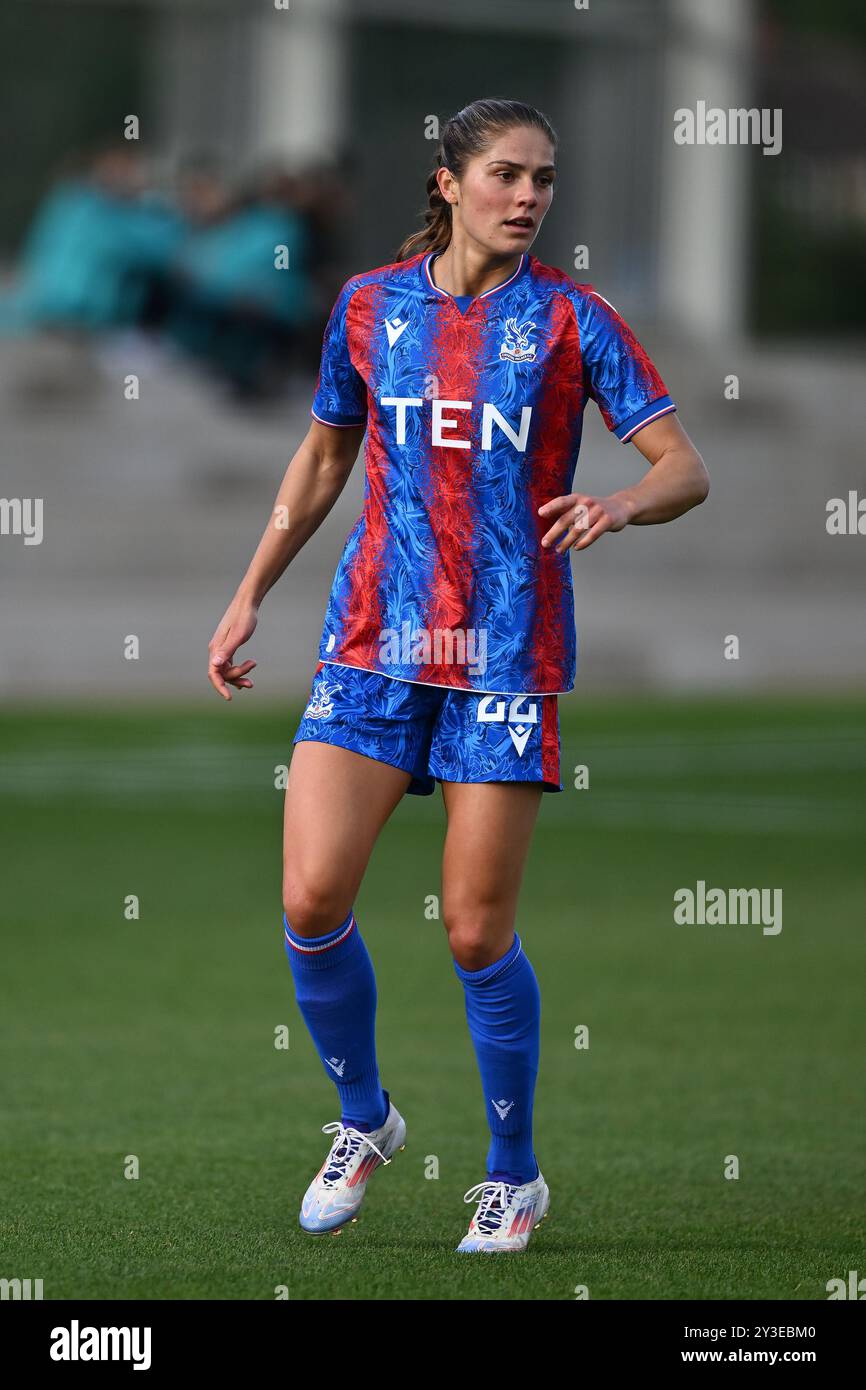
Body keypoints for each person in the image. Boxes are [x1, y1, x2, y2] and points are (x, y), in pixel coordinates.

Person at [207, 97, 709, 1253]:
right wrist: (250, 590)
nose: (528, 196)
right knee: (309, 899)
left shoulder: (576, 321)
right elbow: (328, 450)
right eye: (504, 174)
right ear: (447, 181)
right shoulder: (368, 306)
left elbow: (682, 464)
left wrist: (621, 502)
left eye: (542, 178)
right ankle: (364, 1118)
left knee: (476, 933)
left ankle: (511, 1175)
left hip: (503, 656)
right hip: (373, 642)